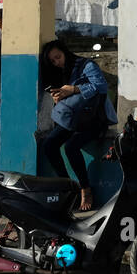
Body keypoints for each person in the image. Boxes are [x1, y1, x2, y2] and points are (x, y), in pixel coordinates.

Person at [39, 39, 118, 211]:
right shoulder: (60, 72)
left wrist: (74, 89)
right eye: (53, 61)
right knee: (49, 145)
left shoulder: (86, 65)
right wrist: (59, 96)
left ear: (65, 52)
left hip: (94, 118)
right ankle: (68, 187)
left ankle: (85, 189)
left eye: (58, 57)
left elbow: (102, 86)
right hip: (74, 118)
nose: (57, 62)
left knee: (71, 147)